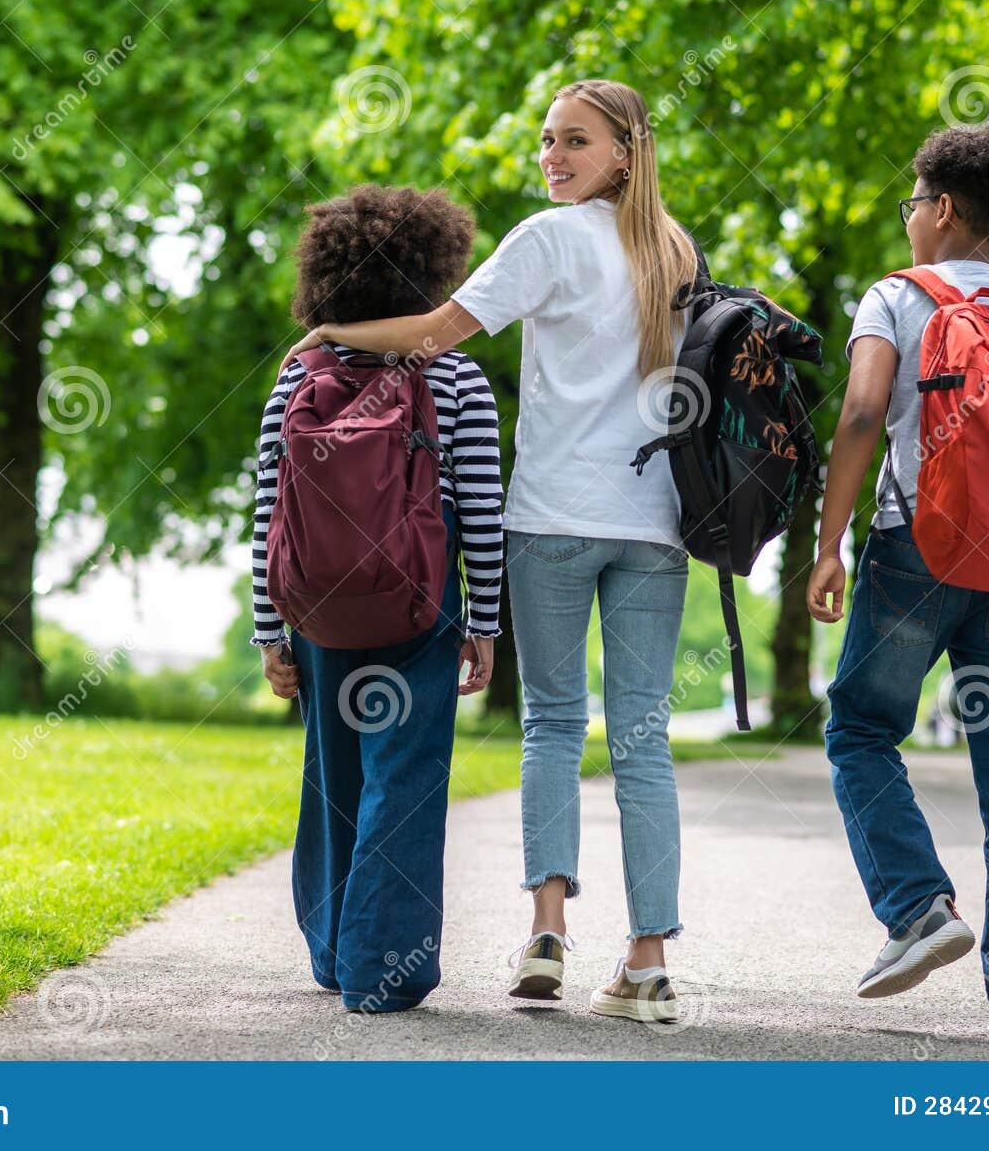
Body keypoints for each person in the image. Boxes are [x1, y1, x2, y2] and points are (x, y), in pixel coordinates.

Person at [281, 80, 698, 1024]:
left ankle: (549, 933)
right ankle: (648, 960)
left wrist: (333, 330)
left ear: (624, 154)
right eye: (547, 141)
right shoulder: (675, 249)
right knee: (643, 739)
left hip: (553, 515)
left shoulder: (545, 239)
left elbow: (434, 335)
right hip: (655, 522)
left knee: (554, 722)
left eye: (575, 143)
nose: (553, 157)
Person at [807, 125, 989, 1044]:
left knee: (858, 726)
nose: (909, 220)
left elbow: (857, 414)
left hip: (915, 549)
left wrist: (828, 543)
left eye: (912, 203)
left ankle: (920, 909)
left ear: (945, 210)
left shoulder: (897, 296)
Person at [255, 185, 504, 1012]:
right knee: (405, 773)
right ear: (433, 275)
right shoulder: (457, 376)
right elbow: (479, 512)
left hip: (319, 610)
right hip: (416, 605)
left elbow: (268, 518)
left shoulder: (297, 375)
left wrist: (270, 630)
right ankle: (381, 965)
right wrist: (485, 623)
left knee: (333, 772)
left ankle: (332, 950)